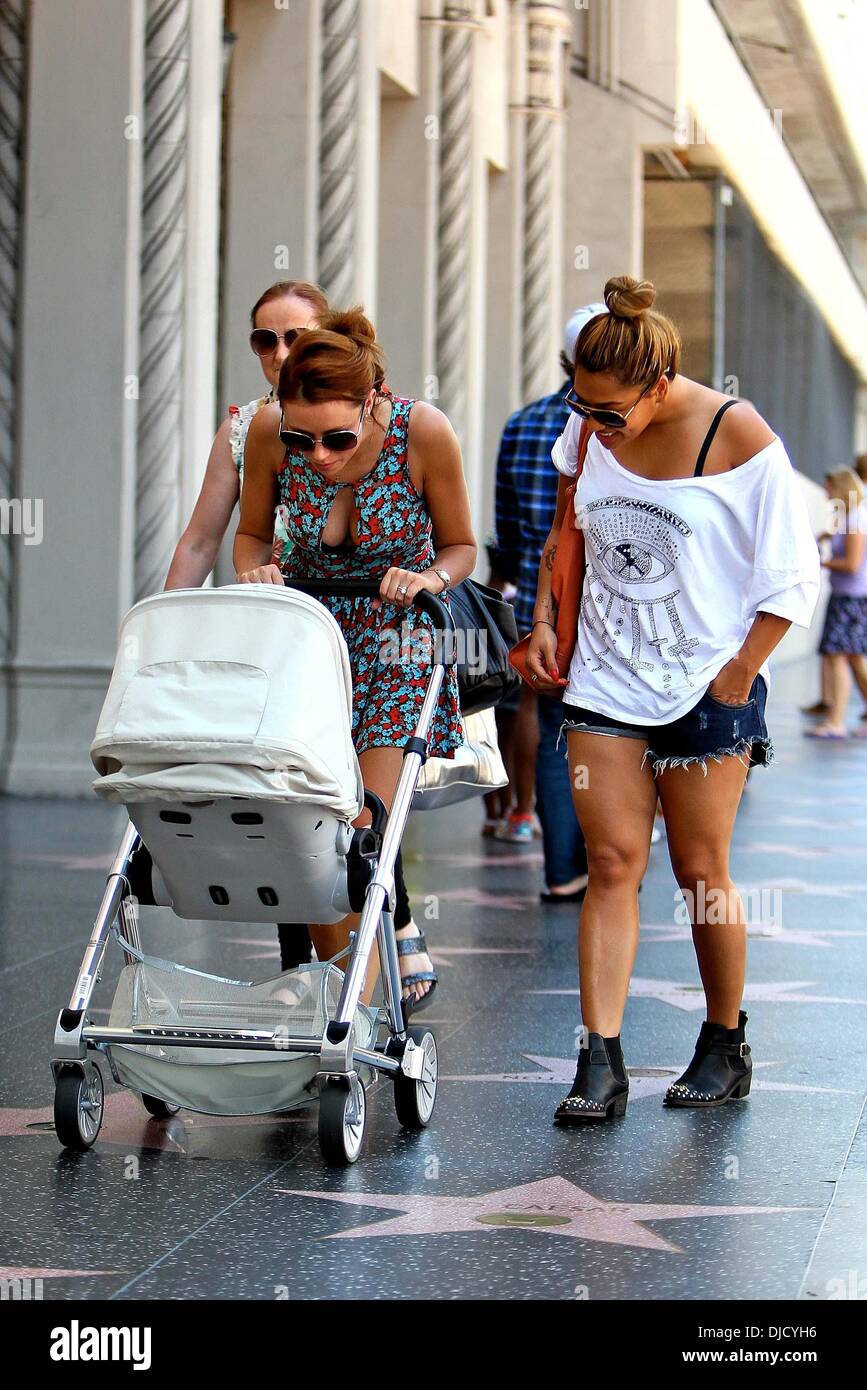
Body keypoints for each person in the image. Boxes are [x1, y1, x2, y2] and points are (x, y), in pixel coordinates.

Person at [526, 275, 820, 1122]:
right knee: (612, 864)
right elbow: (563, 534)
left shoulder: (738, 433)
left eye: (611, 411)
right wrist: (548, 622)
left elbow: (788, 575)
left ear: (658, 385)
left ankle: (724, 1042)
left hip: (706, 685)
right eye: (582, 405)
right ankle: (599, 1060)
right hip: (607, 682)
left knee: (700, 874)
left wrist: (739, 673)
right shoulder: (585, 434)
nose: (595, 425)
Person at [234, 307, 476, 1011]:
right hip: (307, 638)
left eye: (337, 438)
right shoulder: (266, 432)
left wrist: (429, 578)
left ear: (371, 403)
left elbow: (461, 545)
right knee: (308, 828)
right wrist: (256, 569)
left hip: (398, 641)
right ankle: (346, 997)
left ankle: (349, 1010)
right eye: (300, 440)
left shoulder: (420, 431)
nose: (318, 457)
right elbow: (250, 534)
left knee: (358, 830)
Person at [487, 305, 606, 893]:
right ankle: (609, 853)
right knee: (608, 724)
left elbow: (505, 523)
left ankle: (548, 850)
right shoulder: (619, 424)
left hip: (540, 595)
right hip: (602, 595)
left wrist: (512, 578)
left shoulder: (523, 422)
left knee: (546, 716)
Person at [802, 465, 867, 730]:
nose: (826, 493)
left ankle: (835, 722)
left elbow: (852, 564)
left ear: (840, 488)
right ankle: (837, 718)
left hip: (851, 599)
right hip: (847, 596)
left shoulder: (856, 521)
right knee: (851, 657)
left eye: (829, 487)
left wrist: (821, 562)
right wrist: (823, 537)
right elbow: (837, 535)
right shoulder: (848, 517)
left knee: (839, 655)